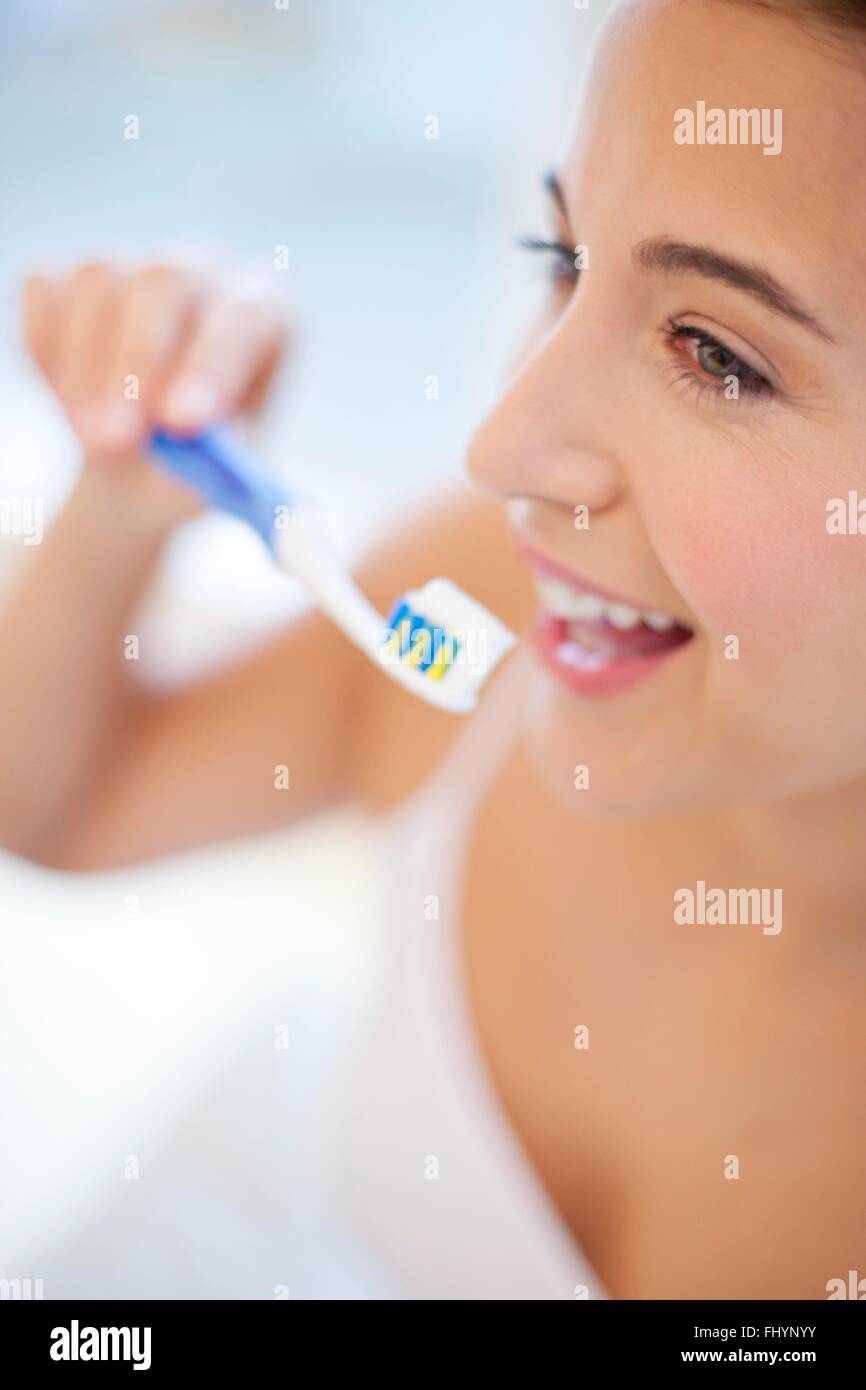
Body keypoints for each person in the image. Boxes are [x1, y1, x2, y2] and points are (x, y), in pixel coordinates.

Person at [3, 0, 865, 1299]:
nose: (501, 443)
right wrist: (123, 504)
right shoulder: (492, 599)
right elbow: (66, 799)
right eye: (561, 258)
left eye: (715, 355)